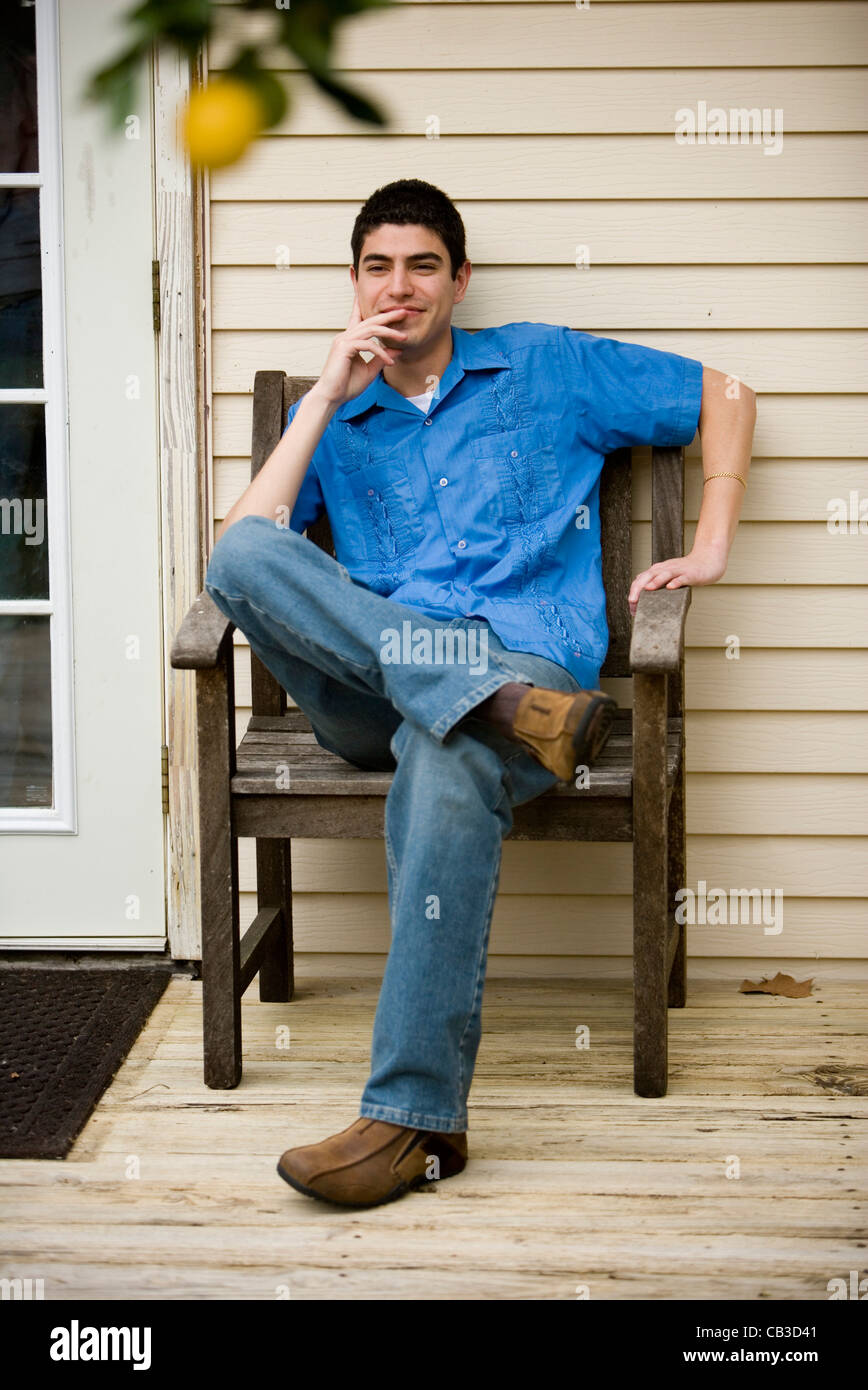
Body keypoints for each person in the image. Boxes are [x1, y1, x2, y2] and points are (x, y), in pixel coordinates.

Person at [204, 178, 756, 1209]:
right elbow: (243, 556)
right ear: (354, 283)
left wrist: (709, 545)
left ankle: (411, 1124)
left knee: (449, 750)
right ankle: (484, 700)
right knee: (240, 555)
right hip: (381, 688)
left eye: (421, 265)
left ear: (459, 278)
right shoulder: (345, 412)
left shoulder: (546, 365)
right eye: (377, 267)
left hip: (532, 667)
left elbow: (723, 395)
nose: (399, 287)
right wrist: (325, 394)